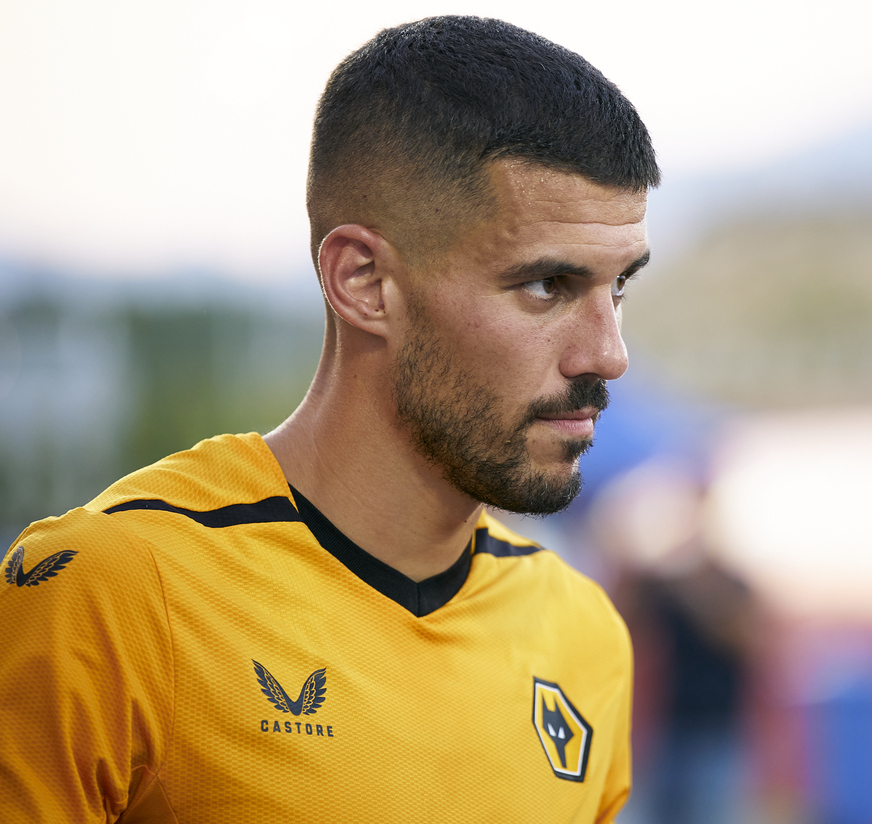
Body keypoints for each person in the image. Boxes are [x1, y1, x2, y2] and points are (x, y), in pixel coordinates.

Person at [0, 15, 658, 823]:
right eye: (547, 286)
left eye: (618, 286)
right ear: (364, 282)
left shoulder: (582, 631)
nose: (608, 354)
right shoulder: (112, 591)